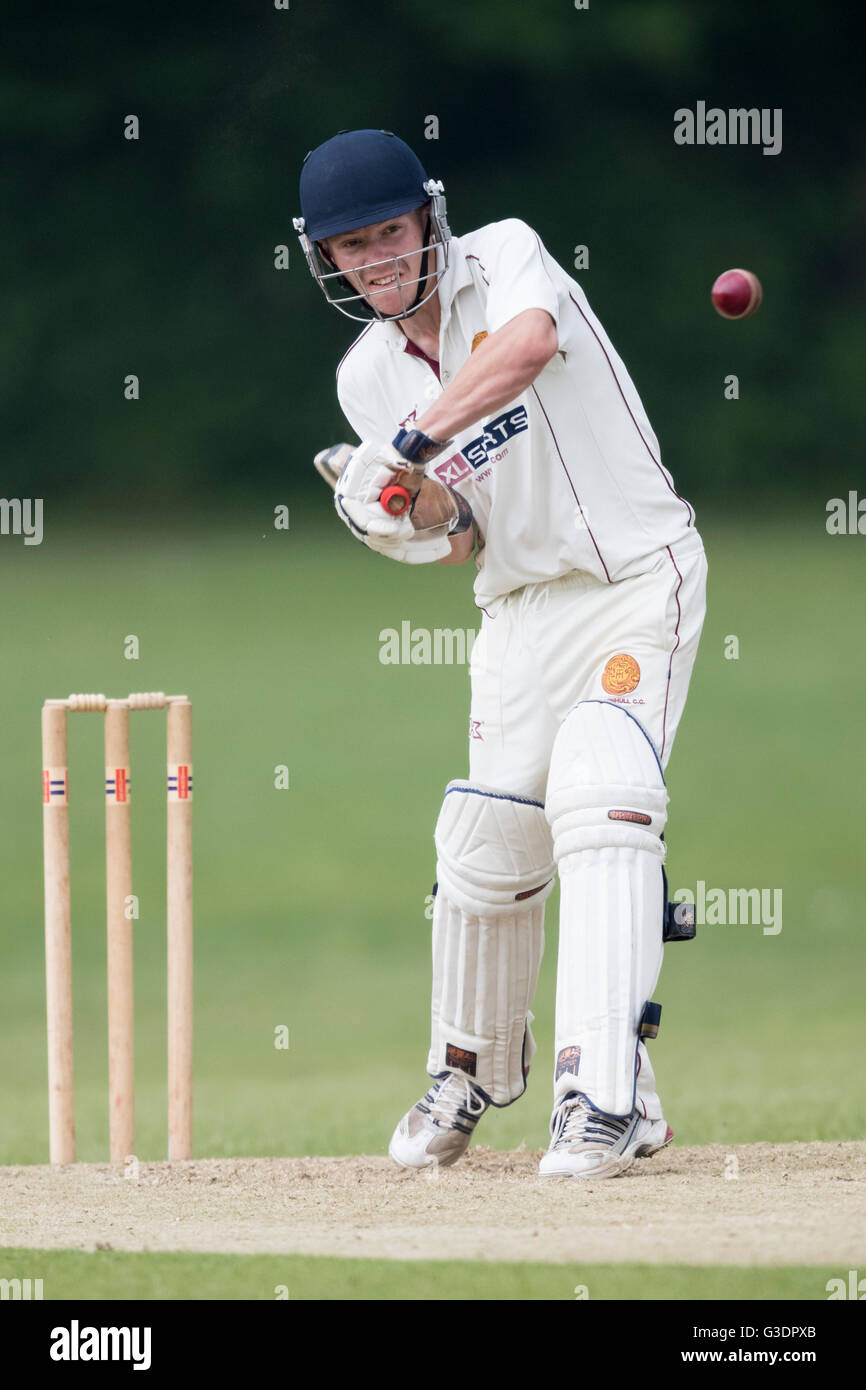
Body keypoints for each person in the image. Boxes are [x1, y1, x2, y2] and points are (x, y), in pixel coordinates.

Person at [294, 129, 707, 1179]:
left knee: (601, 796)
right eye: (349, 247)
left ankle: (600, 1096)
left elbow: (522, 348)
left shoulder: (508, 254)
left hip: (628, 574)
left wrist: (402, 448)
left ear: (427, 217)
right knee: (484, 842)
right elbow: (458, 533)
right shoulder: (365, 374)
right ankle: (467, 1069)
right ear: (326, 258)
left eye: (388, 232)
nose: (375, 260)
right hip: (517, 611)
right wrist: (399, 513)